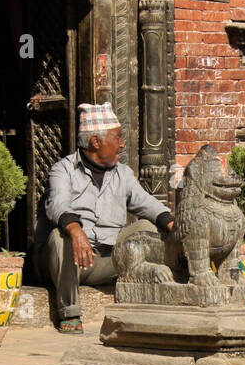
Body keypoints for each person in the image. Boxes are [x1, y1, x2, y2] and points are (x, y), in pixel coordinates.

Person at [44, 103, 175, 333]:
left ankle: (157, 299)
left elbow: (146, 202)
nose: (122, 144)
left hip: (111, 260)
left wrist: (173, 224)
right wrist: (75, 231)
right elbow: (57, 204)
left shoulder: (122, 173)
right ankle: (70, 314)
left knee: (146, 227)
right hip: (75, 262)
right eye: (118, 137)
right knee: (59, 236)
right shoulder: (63, 169)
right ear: (96, 141)